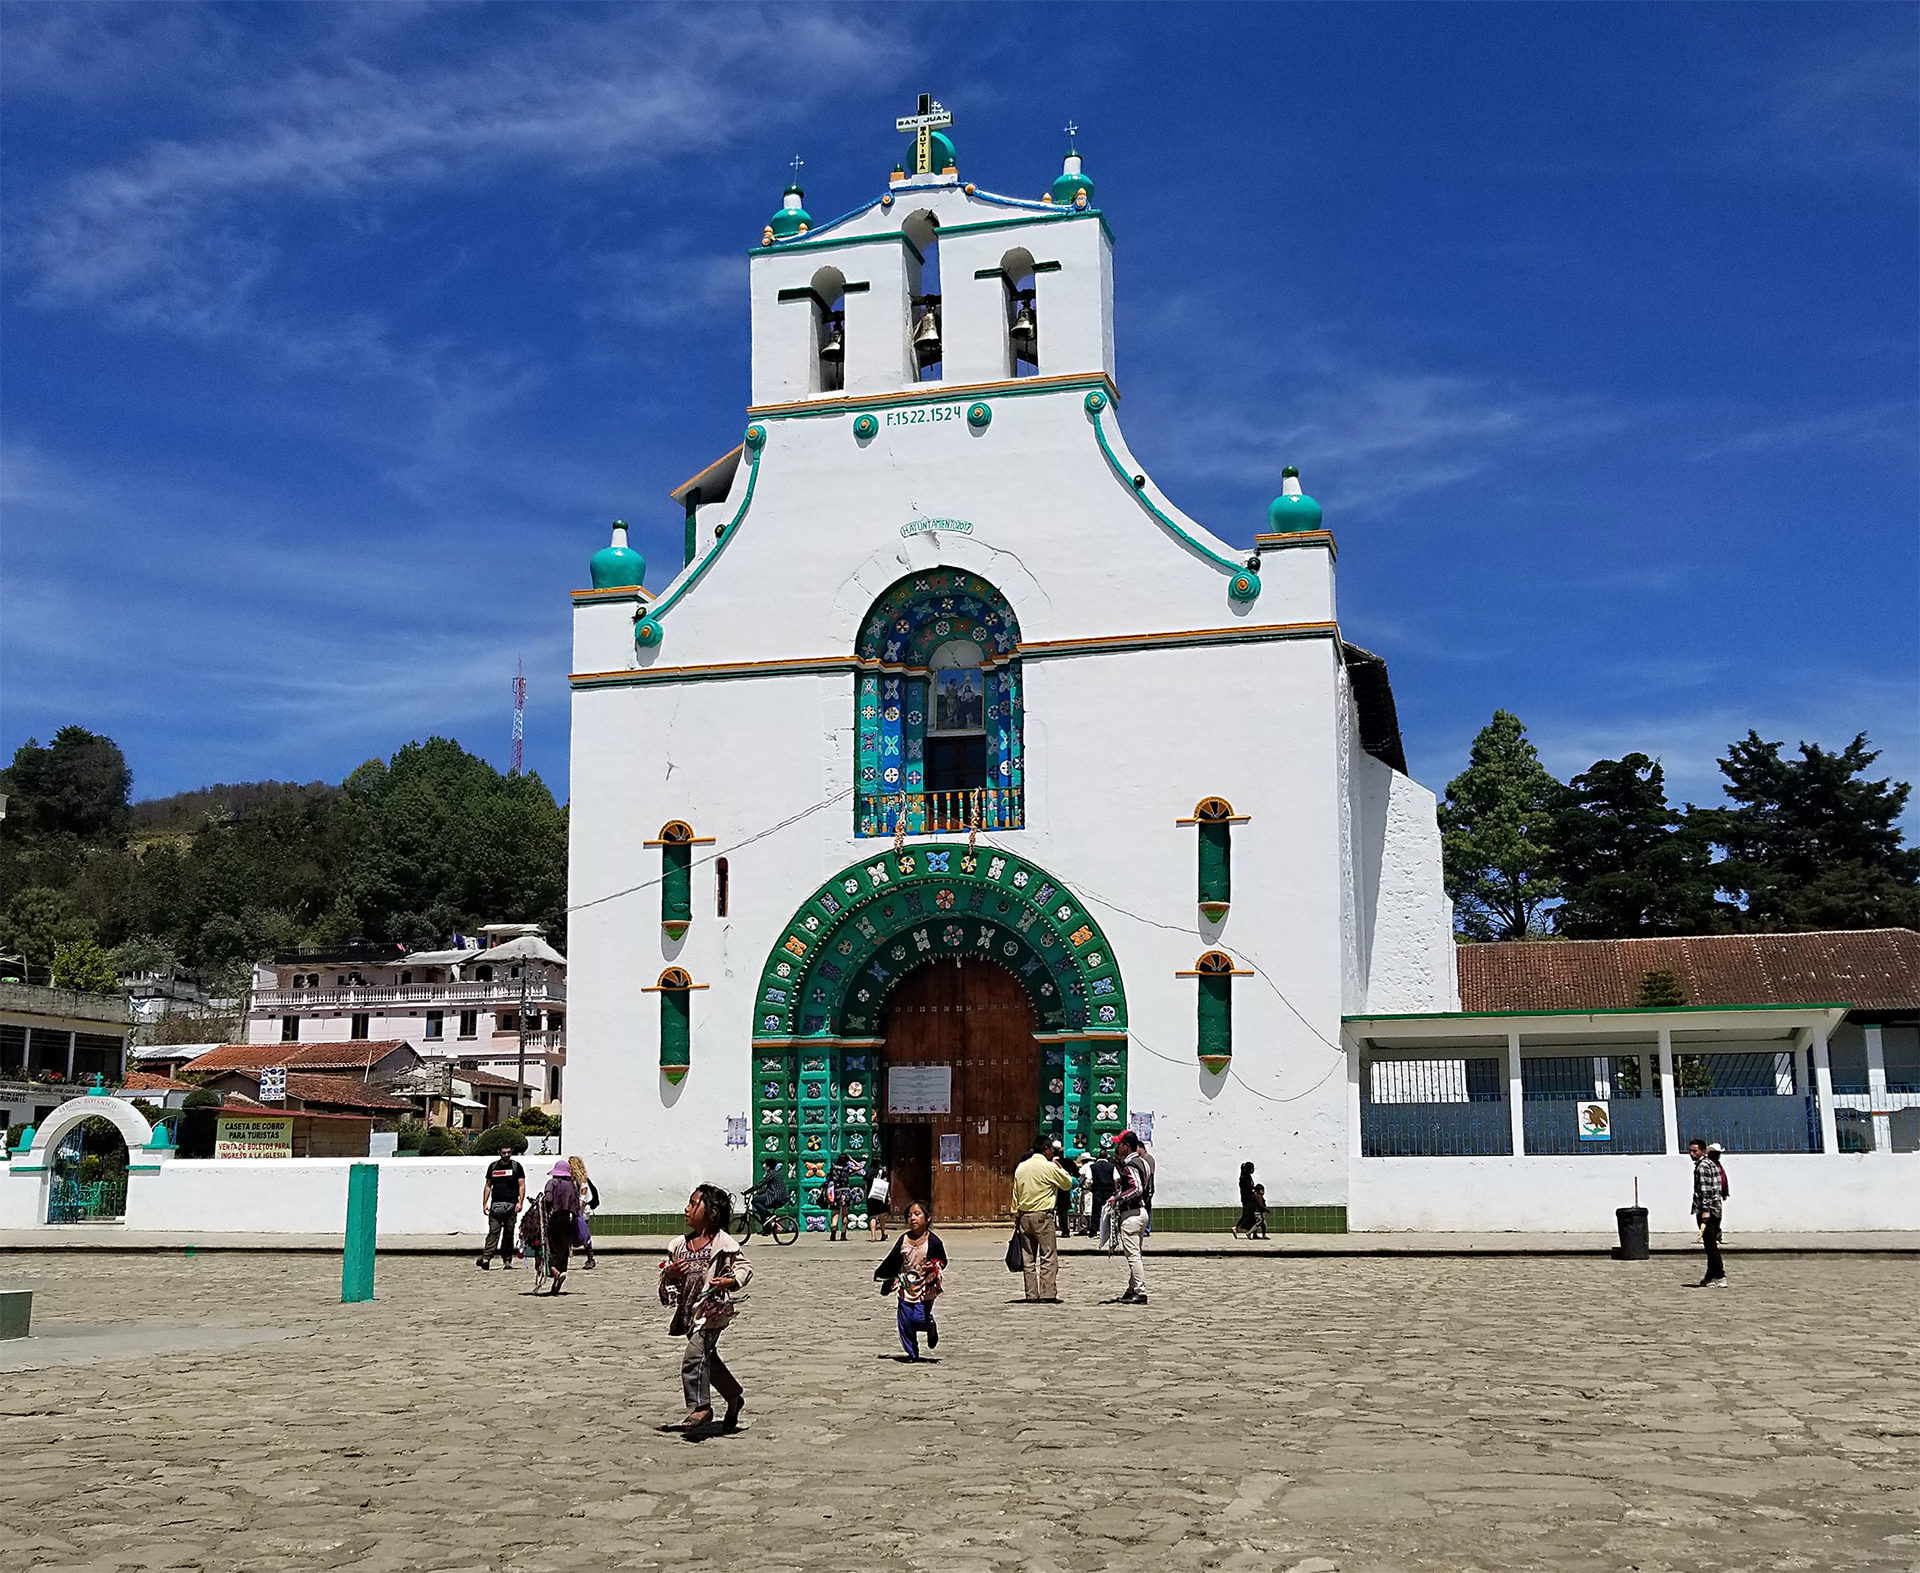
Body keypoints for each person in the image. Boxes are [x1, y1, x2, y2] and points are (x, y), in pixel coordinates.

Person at [659, 1183, 751, 1433]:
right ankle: (734, 1397)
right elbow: (669, 1280)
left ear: (711, 1212)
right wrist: (671, 1274)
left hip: (711, 1313)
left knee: (694, 1358)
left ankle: (701, 1406)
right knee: (708, 1360)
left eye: (692, 1204)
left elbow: (744, 1268)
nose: (686, 1209)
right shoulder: (680, 1245)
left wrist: (731, 1280)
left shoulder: (724, 1244)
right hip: (689, 1314)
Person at [874, 1199, 946, 1359]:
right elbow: (894, 1263)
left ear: (927, 1218)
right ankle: (912, 1353)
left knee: (920, 1318)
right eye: (909, 1215)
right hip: (905, 1284)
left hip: (925, 1286)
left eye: (917, 1214)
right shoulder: (903, 1240)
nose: (913, 1218)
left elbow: (943, 1260)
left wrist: (934, 1266)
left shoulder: (933, 1242)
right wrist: (887, 1282)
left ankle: (930, 1327)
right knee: (905, 1321)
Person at [1010, 1136, 1074, 1302]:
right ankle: (1047, 1294)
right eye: (1051, 1148)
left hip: (1024, 1216)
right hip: (1042, 1216)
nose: (1052, 1152)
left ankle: (1031, 1294)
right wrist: (1060, 1168)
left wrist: (1016, 1215)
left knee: (1028, 1258)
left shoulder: (1021, 1168)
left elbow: (1015, 1194)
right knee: (1047, 1255)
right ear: (1046, 1148)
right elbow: (1067, 1184)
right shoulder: (1049, 1167)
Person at [1113, 1130, 1151, 1304]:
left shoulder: (1130, 1165)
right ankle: (1131, 1288)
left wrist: (1118, 1198)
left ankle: (1140, 1291)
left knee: (1133, 1256)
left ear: (1126, 1146)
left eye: (1119, 1144)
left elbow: (1137, 1188)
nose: (1117, 1147)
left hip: (1131, 1214)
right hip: (1142, 1212)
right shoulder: (1144, 1162)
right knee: (1136, 1253)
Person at [477, 1143, 525, 1269]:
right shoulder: (493, 1167)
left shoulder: (516, 1166)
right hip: (496, 1206)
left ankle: (507, 1260)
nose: (506, 1155)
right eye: (504, 1153)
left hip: (511, 1206)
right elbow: (488, 1186)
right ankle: (486, 1257)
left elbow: (521, 1185)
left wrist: (520, 1202)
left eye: (508, 1152)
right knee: (493, 1232)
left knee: (508, 1234)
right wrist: (484, 1203)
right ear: (499, 1153)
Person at [1688, 1138, 1726, 1287]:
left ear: (1703, 1151)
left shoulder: (1702, 1167)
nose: (1691, 1154)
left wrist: (1705, 1211)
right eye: (1690, 1151)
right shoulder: (1713, 1164)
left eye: (1695, 1151)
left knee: (1710, 1245)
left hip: (1707, 1211)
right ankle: (1710, 1276)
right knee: (1710, 1243)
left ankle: (1720, 1275)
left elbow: (1705, 1191)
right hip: (1716, 1209)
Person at [541, 1160, 581, 1295]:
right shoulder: (572, 1186)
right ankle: (560, 1274)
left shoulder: (551, 1183)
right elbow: (577, 1206)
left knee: (551, 1247)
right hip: (567, 1221)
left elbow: (548, 1199)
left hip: (554, 1219)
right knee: (563, 1249)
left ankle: (555, 1272)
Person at [744, 1158, 789, 1236]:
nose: (764, 1167)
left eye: (765, 1165)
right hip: (782, 1197)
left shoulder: (771, 1173)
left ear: (768, 1166)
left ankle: (768, 1216)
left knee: (755, 1201)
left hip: (775, 1197)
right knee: (761, 1210)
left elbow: (760, 1184)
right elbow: (766, 1189)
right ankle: (766, 1229)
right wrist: (756, 1192)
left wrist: (747, 1191)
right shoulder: (777, 1174)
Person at [570, 1156, 599, 1271]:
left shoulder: (583, 1181)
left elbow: (584, 1197)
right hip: (576, 1210)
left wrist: (577, 1208)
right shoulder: (573, 1180)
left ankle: (590, 1257)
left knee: (584, 1233)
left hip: (582, 1211)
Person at [1089, 1142, 1116, 1245]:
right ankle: (1110, 1232)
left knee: (1096, 1212)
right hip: (1108, 1191)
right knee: (1109, 1212)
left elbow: (1088, 1180)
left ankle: (1093, 1232)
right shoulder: (1111, 1167)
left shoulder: (1092, 1166)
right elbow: (1116, 1179)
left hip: (1097, 1191)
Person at [826, 1152, 855, 1242]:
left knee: (836, 1213)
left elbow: (828, 1178)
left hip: (837, 1192)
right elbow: (859, 1168)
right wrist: (852, 1160)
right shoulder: (847, 1169)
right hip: (846, 1192)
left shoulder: (833, 1168)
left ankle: (834, 1227)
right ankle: (843, 1233)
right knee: (844, 1214)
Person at [1051, 1140, 1074, 1237]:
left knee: (1049, 1211)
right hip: (1063, 1190)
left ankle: (1050, 1230)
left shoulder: (1048, 1163)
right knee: (1063, 1212)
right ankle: (1065, 1230)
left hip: (1051, 1189)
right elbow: (1075, 1174)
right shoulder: (1068, 1162)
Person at [865, 1156, 891, 1242]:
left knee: (873, 1217)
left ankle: (873, 1236)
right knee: (882, 1216)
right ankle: (883, 1234)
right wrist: (888, 1196)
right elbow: (885, 1184)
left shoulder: (868, 1173)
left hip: (871, 1196)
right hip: (880, 1196)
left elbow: (865, 1187)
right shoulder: (882, 1172)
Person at [1233, 1161, 1257, 1238]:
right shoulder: (1246, 1178)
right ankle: (1236, 1227)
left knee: (1251, 1215)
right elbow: (1248, 1188)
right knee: (1248, 1214)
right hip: (1248, 1199)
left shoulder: (1244, 1176)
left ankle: (1253, 1233)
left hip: (1246, 1198)